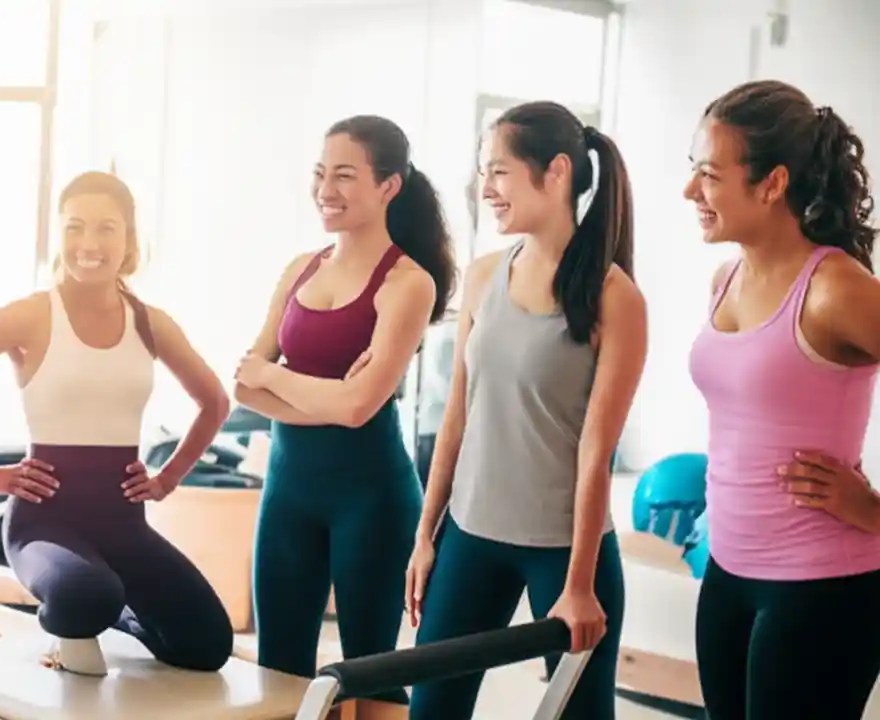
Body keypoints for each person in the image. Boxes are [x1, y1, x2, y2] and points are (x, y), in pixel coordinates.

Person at [0, 171, 234, 677]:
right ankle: (82, 614)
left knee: (207, 645)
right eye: (75, 227)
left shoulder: (149, 322)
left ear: (128, 239)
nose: (89, 243)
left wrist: (167, 478)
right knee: (86, 595)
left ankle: (118, 615)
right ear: (58, 235)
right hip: (43, 523)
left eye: (106, 228)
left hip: (123, 524)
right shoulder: (30, 315)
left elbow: (214, 402)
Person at [405, 101, 645, 720]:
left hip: (564, 551)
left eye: (500, 171)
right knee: (432, 711)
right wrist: (426, 535)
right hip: (470, 535)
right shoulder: (484, 276)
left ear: (556, 172)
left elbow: (597, 450)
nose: (486, 188)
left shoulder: (615, 297)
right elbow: (456, 417)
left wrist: (580, 583)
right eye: (483, 173)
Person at [234, 114, 456, 703]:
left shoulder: (409, 283)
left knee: (370, 677)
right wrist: (332, 399)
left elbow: (353, 406)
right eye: (320, 172)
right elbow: (244, 389)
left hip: (372, 502)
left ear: (389, 186)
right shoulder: (300, 269)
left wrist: (278, 378)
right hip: (288, 497)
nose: (325, 189)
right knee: (278, 673)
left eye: (345, 176)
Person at [684, 79, 880, 720]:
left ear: (772, 184)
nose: (691, 191)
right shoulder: (726, 279)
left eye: (709, 176)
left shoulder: (837, 289)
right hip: (727, 573)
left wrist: (876, 511)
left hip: (821, 585)